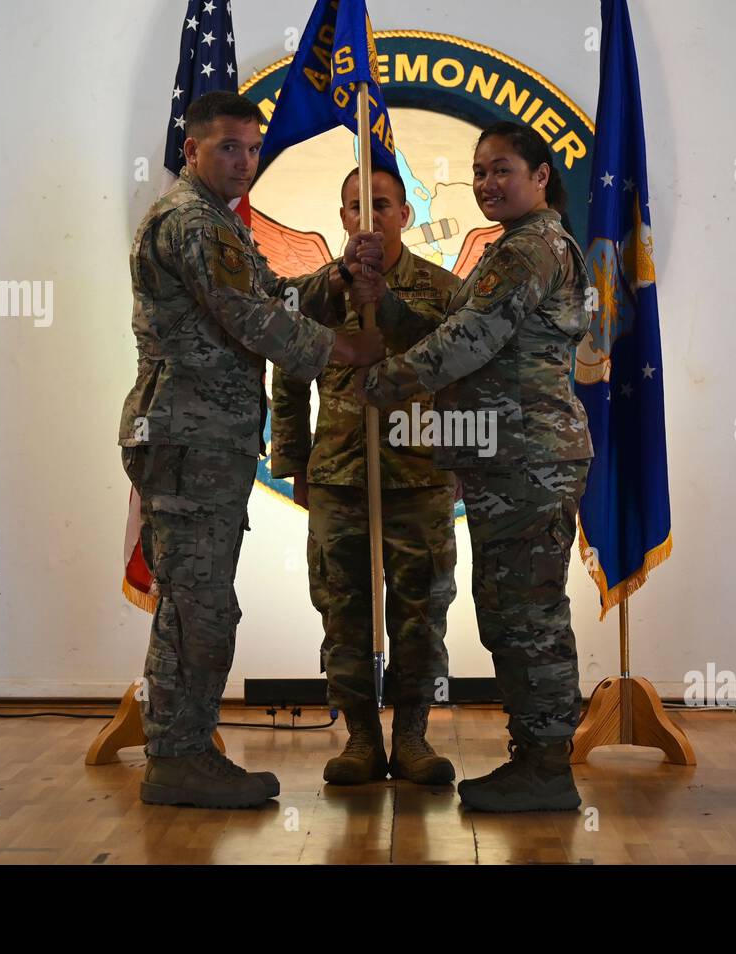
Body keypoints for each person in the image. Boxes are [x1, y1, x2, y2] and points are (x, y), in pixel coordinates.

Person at [118, 91, 385, 809]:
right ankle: (178, 758)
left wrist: (331, 281)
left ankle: (182, 750)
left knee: (200, 604)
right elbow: (249, 318)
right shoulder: (191, 223)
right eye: (228, 147)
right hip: (189, 437)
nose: (243, 161)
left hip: (206, 439)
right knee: (198, 608)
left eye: (252, 147)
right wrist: (346, 348)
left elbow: (273, 297)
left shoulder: (218, 226)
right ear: (191, 151)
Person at [357, 121, 593, 812]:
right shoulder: (510, 248)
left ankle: (548, 767)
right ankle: (535, 758)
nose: (489, 183)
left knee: (529, 618)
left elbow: (469, 340)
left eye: (504, 170)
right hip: (508, 460)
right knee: (510, 613)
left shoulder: (531, 250)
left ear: (542, 175)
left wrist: (381, 382)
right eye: (480, 172)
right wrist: (384, 298)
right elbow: (451, 329)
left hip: (530, 461)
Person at [270, 165, 462, 786]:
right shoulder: (318, 294)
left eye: (380, 205)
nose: (367, 218)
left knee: (421, 610)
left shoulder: (442, 291)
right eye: (354, 206)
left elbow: (465, 376)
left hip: (420, 476)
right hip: (338, 475)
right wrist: (294, 463)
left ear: (405, 215)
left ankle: (412, 738)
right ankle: (358, 738)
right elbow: (290, 376)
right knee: (342, 609)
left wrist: (459, 457)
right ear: (342, 216)